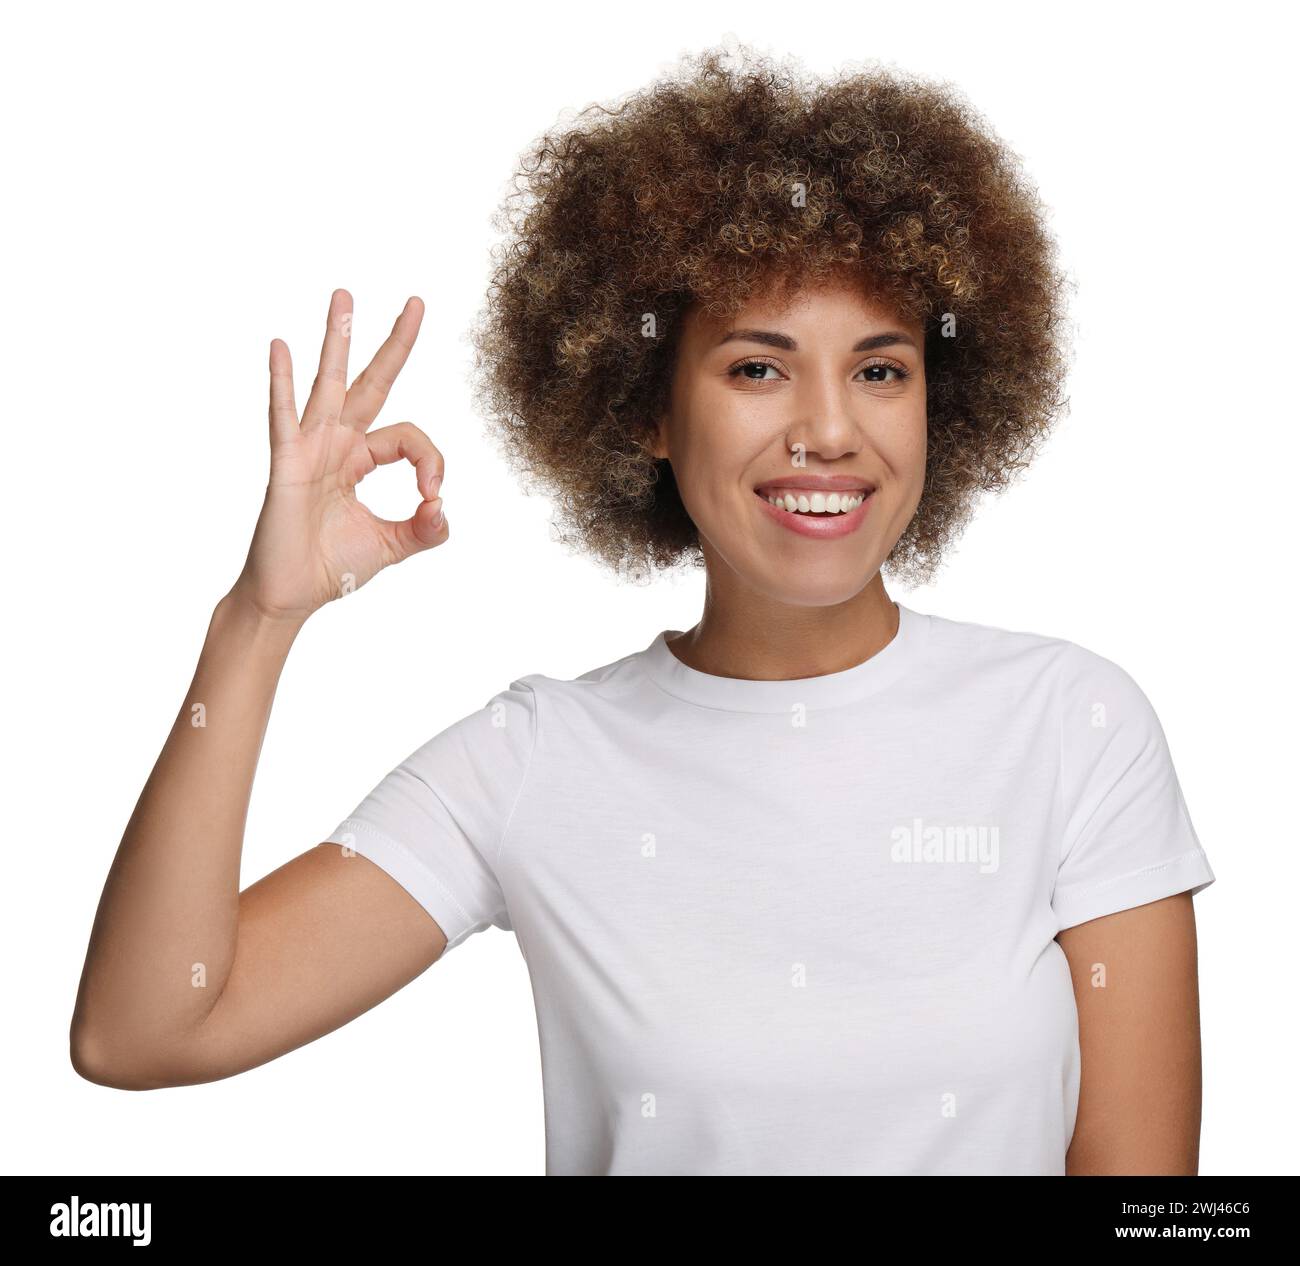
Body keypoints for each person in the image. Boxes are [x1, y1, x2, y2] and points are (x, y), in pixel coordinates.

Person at [69, 46, 1215, 1176]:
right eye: (757, 369)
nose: (829, 429)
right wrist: (257, 621)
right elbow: (145, 1030)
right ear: (646, 411)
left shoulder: (1072, 726)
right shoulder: (534, 760)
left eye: (880, 370)